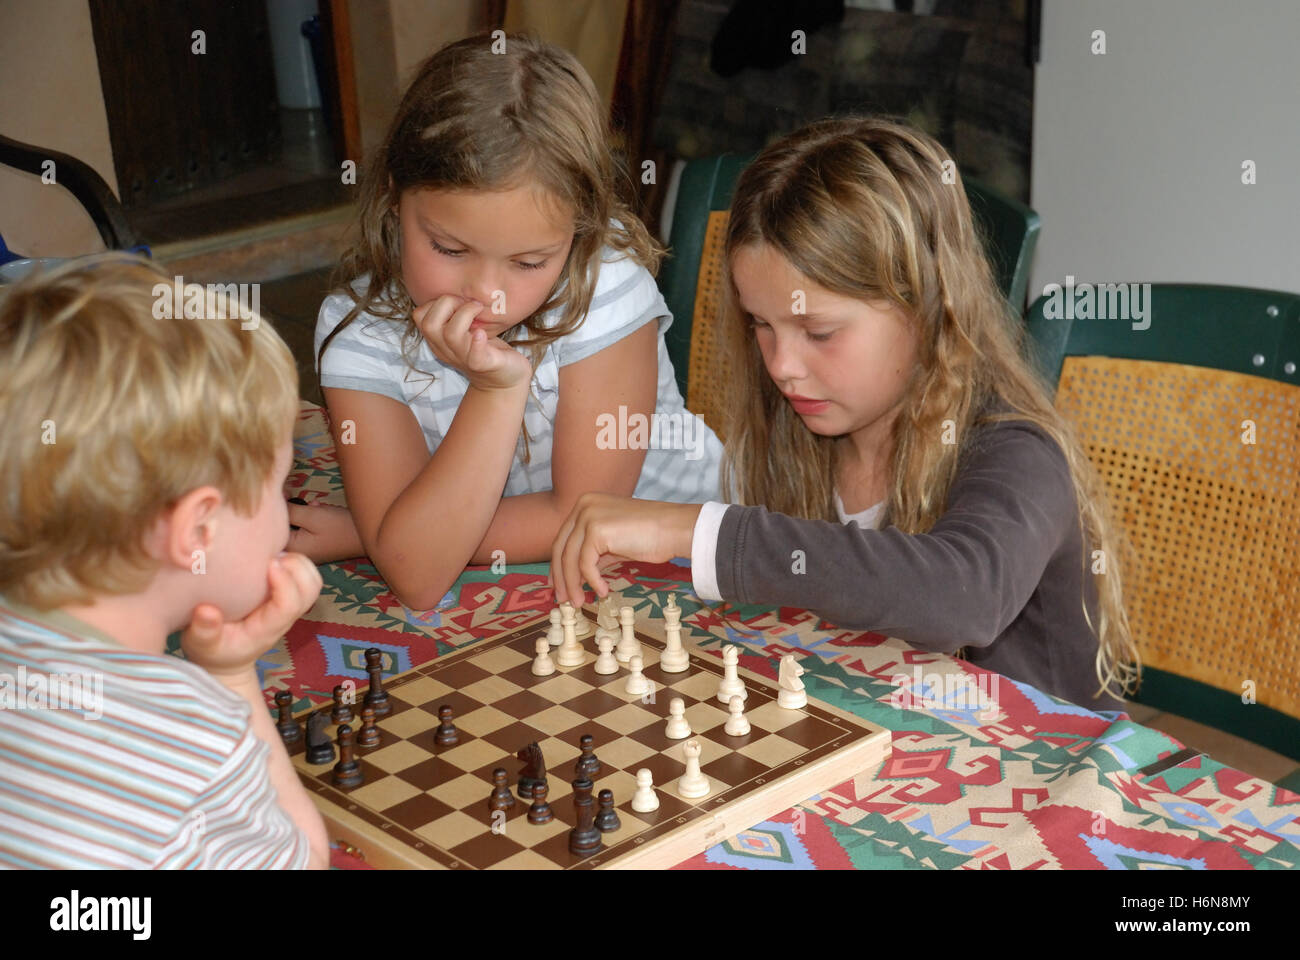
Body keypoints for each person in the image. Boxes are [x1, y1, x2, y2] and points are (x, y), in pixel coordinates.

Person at [550, 116, 1140, 712]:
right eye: (761, 325)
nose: (781, 365)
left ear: (928, 305)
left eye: (819, 331)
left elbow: (960, 598)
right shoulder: (800, 430)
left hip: (1045, 774)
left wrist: (692, 529)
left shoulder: (1015, 451)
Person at [293, 32, 722, 609]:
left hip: (690, 565)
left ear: (580, 229)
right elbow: (418, 578)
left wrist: (373, 536)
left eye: (528, 262)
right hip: (533, 588)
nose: (488, 295)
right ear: (395, 197)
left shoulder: (604, 284)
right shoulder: (358, 330)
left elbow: (587, 517)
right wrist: (497, 392)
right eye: (448, 248)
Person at [0, 258, 329, 868]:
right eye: (281, 489)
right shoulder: (191, 733)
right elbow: (307, 858)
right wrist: (232, 681)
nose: (284, 520)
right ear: (198, 528)